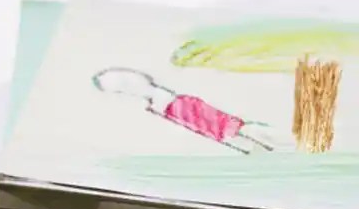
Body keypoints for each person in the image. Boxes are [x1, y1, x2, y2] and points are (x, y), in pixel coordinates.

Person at [91, 68, 282, 154]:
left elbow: (203, 118)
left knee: (261, 139)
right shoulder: (164, 106)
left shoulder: (172, 103)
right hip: (225, 133)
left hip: (228, 129)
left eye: (125, 83)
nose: (129, 87)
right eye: (121, 87)